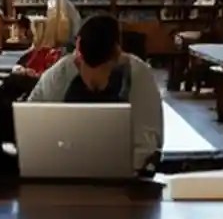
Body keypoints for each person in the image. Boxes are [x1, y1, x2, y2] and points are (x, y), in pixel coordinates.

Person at [28, 15, 164, 171]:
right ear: (78, 58)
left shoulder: (138, 75)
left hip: (122, 178)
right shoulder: (59, 76)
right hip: (65, 170)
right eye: (89, 78)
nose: (95, 84)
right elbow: (31, 131)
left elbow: (149, 144)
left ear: (117, 57)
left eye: (99, 81)